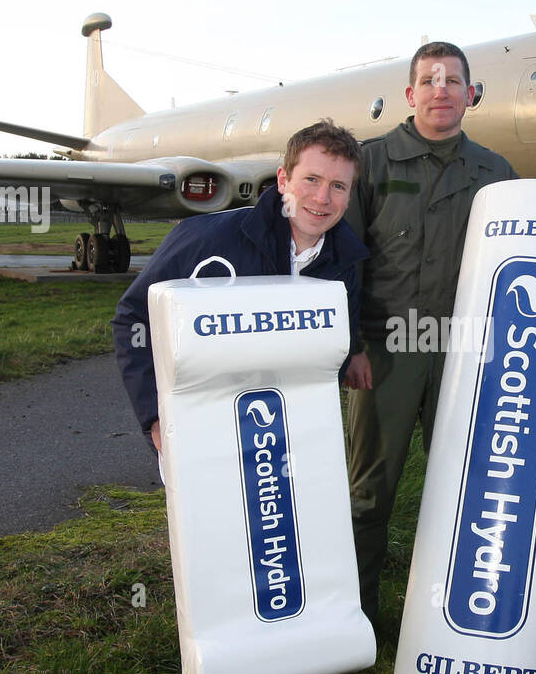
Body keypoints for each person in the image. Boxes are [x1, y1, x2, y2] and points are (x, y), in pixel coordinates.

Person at [343, 42, 517, 624]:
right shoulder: (370, 165)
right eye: (429, 80)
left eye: (453, 81)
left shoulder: (497, 174)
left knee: (467, 486)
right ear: (410, 94)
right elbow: (342, 260)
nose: (440, 90)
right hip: (387, 348)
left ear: (470, 94)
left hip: (466, 354)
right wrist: (352, 346)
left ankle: (452, 614)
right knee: (370, 491)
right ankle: (356, 613)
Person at [112, 119, 367, 453]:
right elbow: (134, 317)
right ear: (283, 180)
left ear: (349, 196)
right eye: (311, 179)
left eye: (338, 186)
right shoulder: (207, 238)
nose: (322, 197)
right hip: (205, 432)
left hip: (287, 438)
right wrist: (155, 417)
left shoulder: (345, 267)